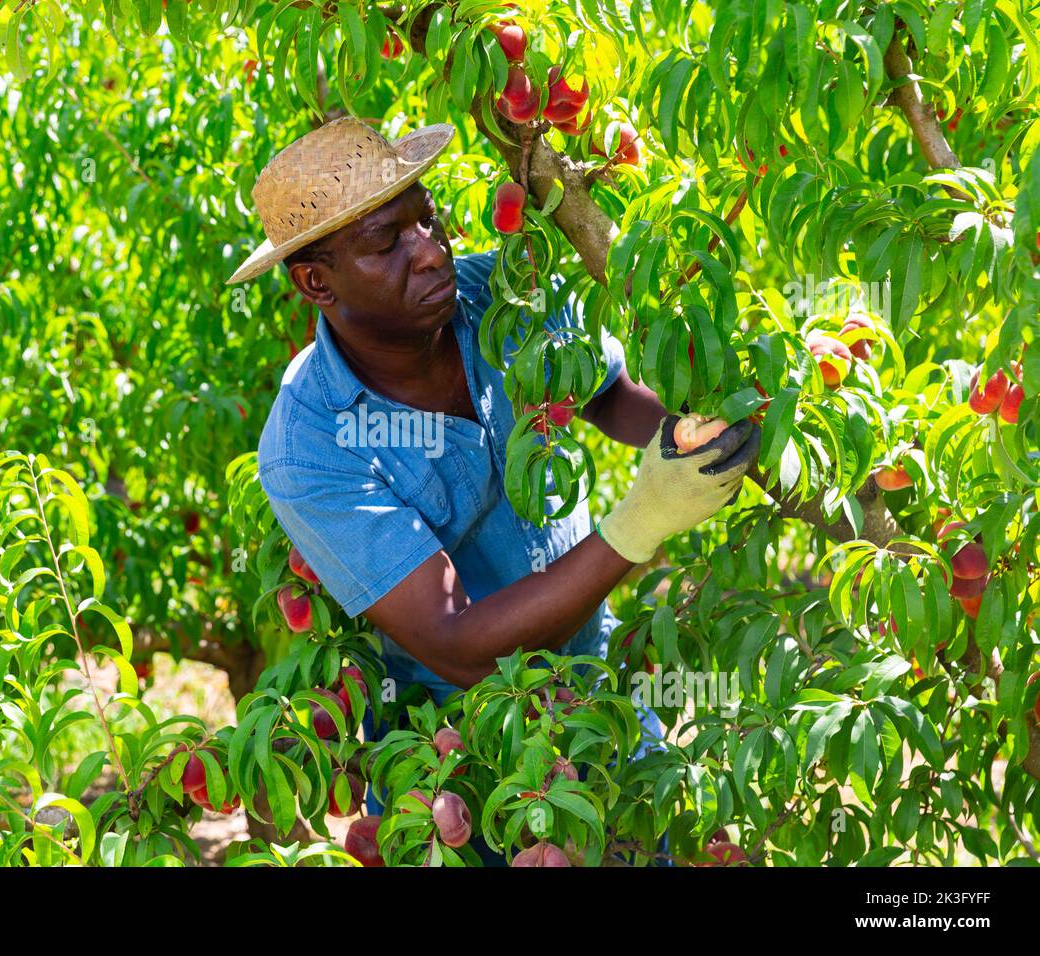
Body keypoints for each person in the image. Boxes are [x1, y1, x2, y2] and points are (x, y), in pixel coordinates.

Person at [227, 116, 759, 865]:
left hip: (591, 689)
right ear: (317, 282)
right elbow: (457, 646)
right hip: (455, 760)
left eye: (428, 219)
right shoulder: (310, 446)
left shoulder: (498, 300)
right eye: (388, 243)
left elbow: (606, 395)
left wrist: (686, 435)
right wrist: (640, 523)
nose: (430, 250)